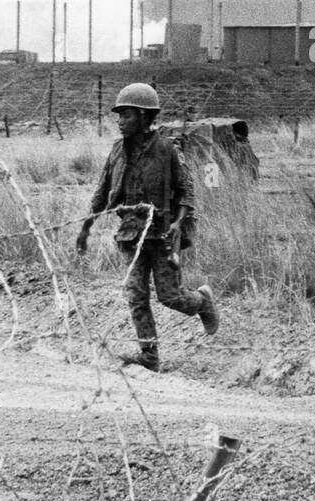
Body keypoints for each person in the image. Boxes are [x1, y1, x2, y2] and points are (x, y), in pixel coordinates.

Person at [76, 83, 219, 371]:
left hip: (163, 233)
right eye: (119, 116)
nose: (120, 121)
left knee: (170, 296)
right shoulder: (117, 151)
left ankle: (202, 301)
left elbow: (187, 191)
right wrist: (85, 228)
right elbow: (102, 192)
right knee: (136, 295)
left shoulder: (167, 149)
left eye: (126, 115)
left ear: (143, 116)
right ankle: (149, 356)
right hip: (130, 234)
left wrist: (179, 224)